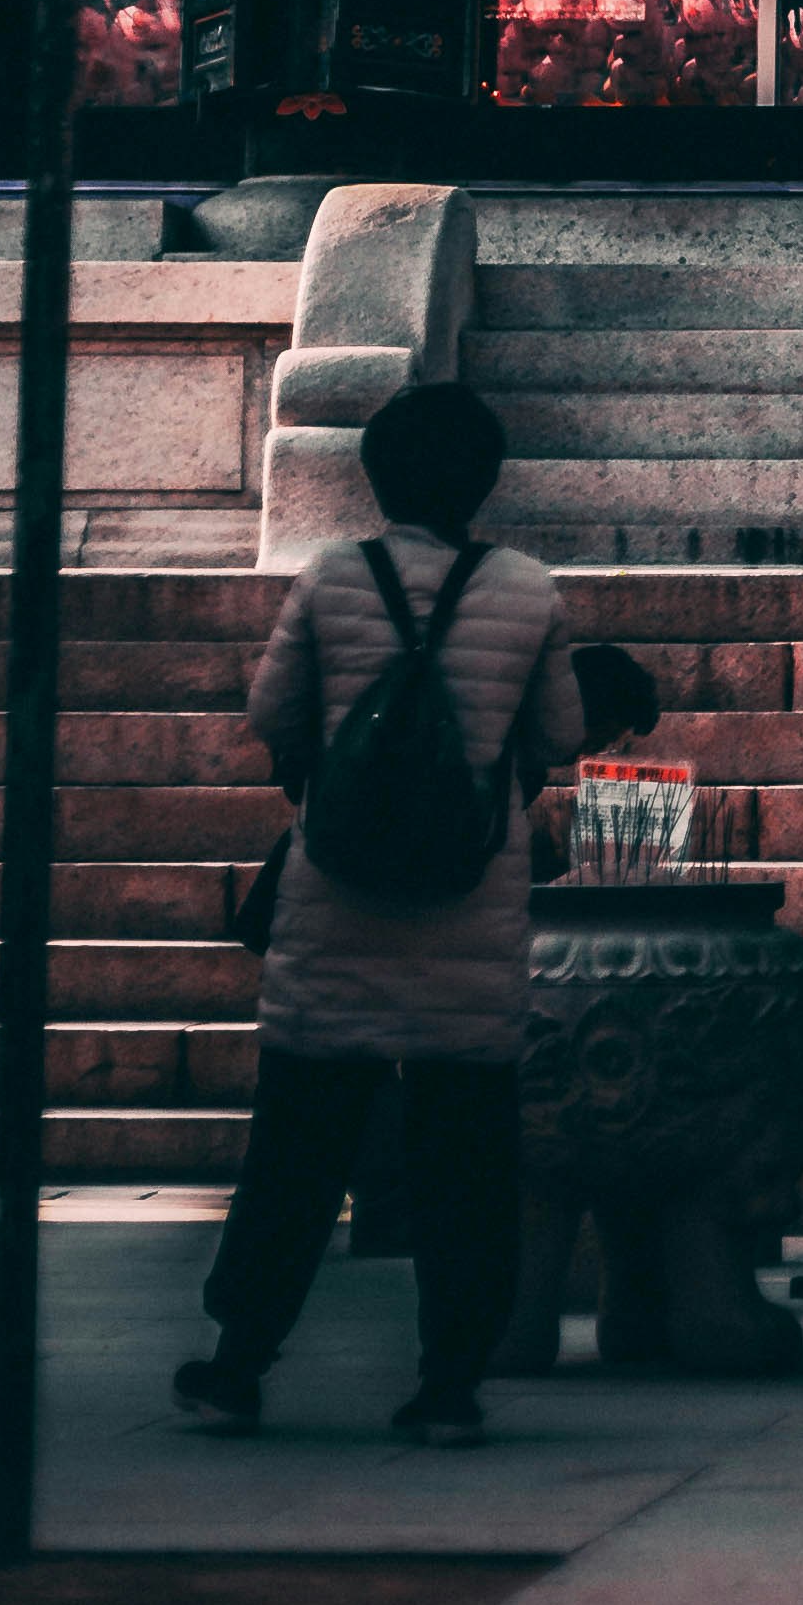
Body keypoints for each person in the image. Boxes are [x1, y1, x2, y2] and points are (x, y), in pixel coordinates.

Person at [174, 381, 581, 1448]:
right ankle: (449, 1382)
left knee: (298, 1157)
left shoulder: (331, 579)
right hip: (470, 918)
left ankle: (236, 1366)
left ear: (377, 476)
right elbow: (558, 739)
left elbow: (274, 719)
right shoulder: (527, 589)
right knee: (465, 1165)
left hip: (335, 915)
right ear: (486, 480)